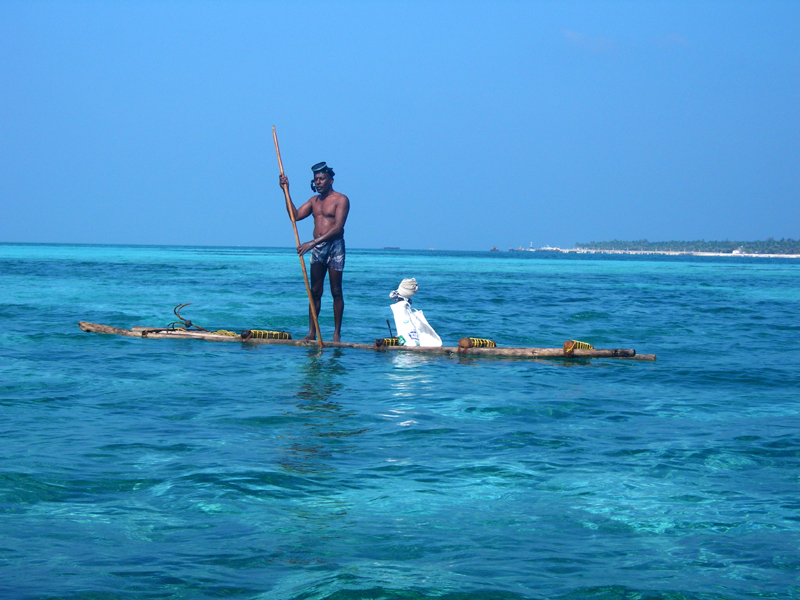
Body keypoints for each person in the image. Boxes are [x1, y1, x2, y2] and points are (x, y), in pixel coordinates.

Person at [279, 162, 350, 342]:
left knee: (336, 291)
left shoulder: (341, 200)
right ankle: (312, 332)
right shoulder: (313, 201)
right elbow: (295, 216)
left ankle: (336, 335)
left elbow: (338, 228)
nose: (318, 182)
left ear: (330, 180)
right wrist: (286, 190)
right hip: (318, 249)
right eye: (316, 179)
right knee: (315, 291)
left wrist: (312, 243)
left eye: (321, 179)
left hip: (334, 247)